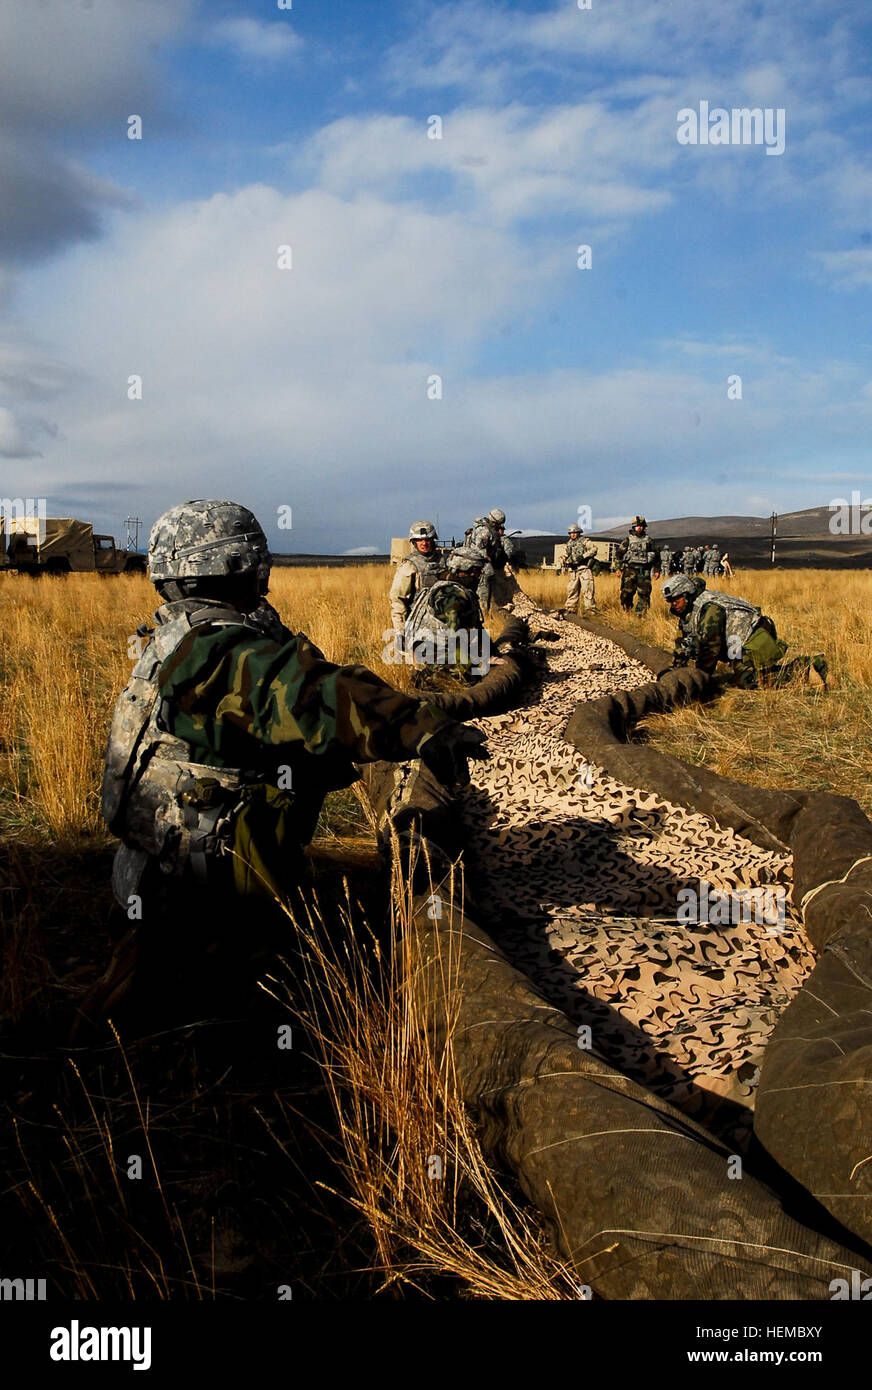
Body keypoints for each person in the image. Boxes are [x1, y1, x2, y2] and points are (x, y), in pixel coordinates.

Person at [95, 499, 486, 1021]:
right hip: (206, 892)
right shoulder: (217, 653)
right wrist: (419, 727)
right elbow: (307, 695)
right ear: (242, 566)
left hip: (154, 869)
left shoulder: (173, 637)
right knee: (310, 1002)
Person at [662, 574, 828, 689]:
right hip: (734, 639)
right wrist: (674, 668)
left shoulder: (710, 609)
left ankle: (807, 668)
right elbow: (683, 643)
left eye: (676, 599)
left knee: (746, 680)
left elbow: (709, 650)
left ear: (687, 594)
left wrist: (700, 679)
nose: (673, 604)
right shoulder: (687, 611)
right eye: (670, 601)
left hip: (752, 636)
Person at [404, 546, 490, 687]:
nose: (479, 576)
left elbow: (477, 630)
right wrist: (477, 662)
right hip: (432, 651)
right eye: (477, 571)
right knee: (471, 676)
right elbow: (455, 635)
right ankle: (428, 679)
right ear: (464, 571)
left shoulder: (450, 587)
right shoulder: (453, 595)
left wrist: (491, 653)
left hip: (430, 647)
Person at [389, 520, 441, 632]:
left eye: (427, 539)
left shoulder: (445, 562)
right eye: (419, 540)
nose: (424, 543)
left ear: (433, 540)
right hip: (418, 627)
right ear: (414, 542)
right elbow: (397, 600)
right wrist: (400, 631)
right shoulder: (409, 566)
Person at [468, 508, 514, 611]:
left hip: (482, 562)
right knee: (486, 580)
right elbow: (481, 552)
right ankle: (484, 609)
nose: (500, 527)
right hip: (478, 564)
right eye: (499, 524)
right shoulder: (484, 532)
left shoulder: (491, 531)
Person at [616, 514, 657, 614]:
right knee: (626, 593)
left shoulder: (649, 541)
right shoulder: (627, 540)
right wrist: (618, 568)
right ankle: (627, 610)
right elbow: (619, 555)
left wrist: (657, 570)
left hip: (644, 571)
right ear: (633, 527)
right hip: (629, 570)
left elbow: (656, 556)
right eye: (637, 526)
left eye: (641, 526)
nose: (639, 528)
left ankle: (640, 616)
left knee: (644, 594)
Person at [560, 523, 599, 614]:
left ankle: (590, 610)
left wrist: (583, 556)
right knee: (572, 590)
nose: (573, 534)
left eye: (575, 532)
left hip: (584, 569)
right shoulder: (568, 544)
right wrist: (562, 563)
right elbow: (563, 555)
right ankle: (570, 610)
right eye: (571, 533)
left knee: (588, 590)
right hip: (573, 571)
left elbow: (594, 549)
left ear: (579, 533)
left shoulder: (585, 541)